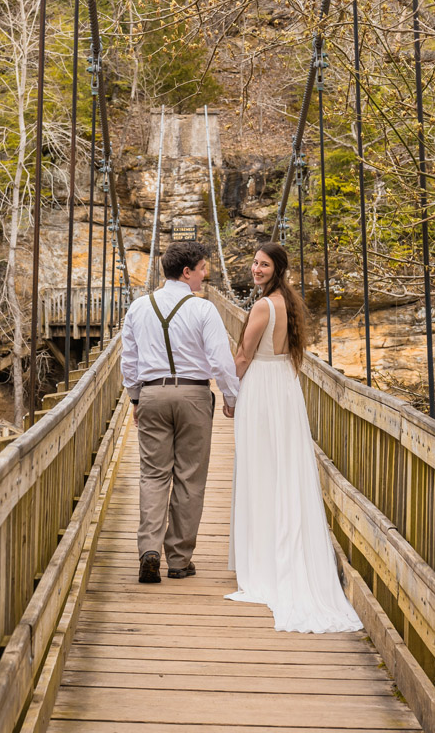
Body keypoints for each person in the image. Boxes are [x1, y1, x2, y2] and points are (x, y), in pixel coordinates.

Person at [226, 242, 363, 634]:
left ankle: (264, 563)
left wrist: (227, 391)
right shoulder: (286, 303)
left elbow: (243, 357)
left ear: (277, 269)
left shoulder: (262, 306)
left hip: (262, 390)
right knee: (281, 470)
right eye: (253, 262)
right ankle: (278, 552)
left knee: (259, 469)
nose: (255, 268)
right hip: (284, 389)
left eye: (263, 264)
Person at [122, 240, 239, 584]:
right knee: (190, 477)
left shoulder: (139, 308)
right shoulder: (203, 310)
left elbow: (129, 360)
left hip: (153, 394)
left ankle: (149, 551)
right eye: (203, 269)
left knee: (154, 474)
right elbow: (220, 359)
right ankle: (178, 559)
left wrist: (134, 398)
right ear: (187, 272)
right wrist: (231, 397)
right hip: (194, 396)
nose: (206, 275)